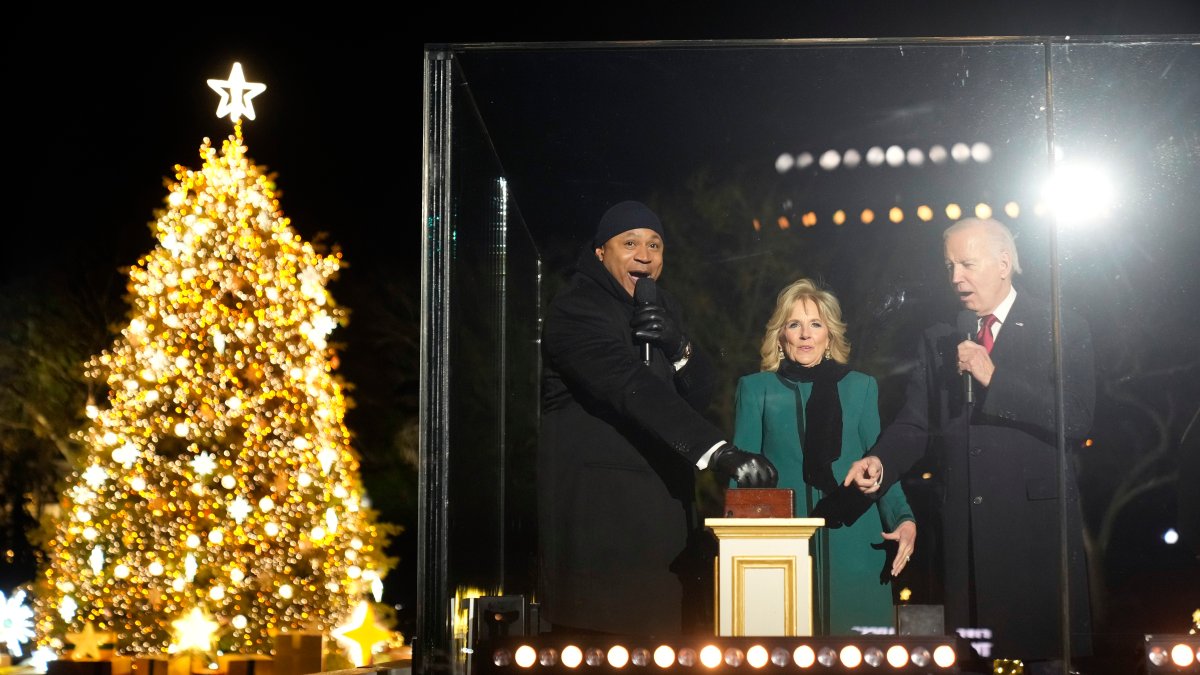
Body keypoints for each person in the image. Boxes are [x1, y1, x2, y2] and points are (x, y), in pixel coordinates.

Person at [842, 217, 1095, 673]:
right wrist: (880, 460)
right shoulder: (940, 336)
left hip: (1035, 531)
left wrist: (993, 377)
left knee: (1047, 661)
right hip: (964, 531)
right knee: (966, 659)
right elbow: (916, 422)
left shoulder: (1058, 323)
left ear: (1003, 264)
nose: (955, 277)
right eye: (949, 266)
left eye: (967, 264)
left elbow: (1077, 416)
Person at [537, 199, 778, 636]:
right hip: (603, 530)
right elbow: (631, 387)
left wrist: (679, 346)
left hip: (663, 526)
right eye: (629, 243)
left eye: (655, 245)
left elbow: (699, 395)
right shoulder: (576, 309)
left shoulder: (663, 308)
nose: (644, 255)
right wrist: (718, 452)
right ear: (600, 253)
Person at [731, 278, 916, 635]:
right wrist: (740, 548)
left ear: (829, 334)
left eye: (815, 324)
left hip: (855, 546)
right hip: (779, 550)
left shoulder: (861, 387)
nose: (805, 334)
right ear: (781, 335)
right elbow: (741, 478)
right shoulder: (756, 389)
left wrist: (904, 518)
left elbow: (880, 462)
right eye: (794, 324)